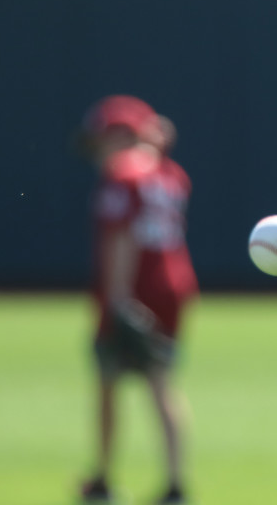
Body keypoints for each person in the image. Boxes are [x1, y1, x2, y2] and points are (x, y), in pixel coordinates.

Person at [76, 95, 199, 505]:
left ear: (120, 135)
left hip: (135, 287)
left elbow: (122, 238)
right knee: (162, 382)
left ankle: (103, 478)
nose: (98, 150)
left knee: (109, 381)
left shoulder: (122, 173)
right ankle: (176, 482)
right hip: (175, 285)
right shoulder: (170, 172)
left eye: (102, 139)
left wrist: (117, 300)